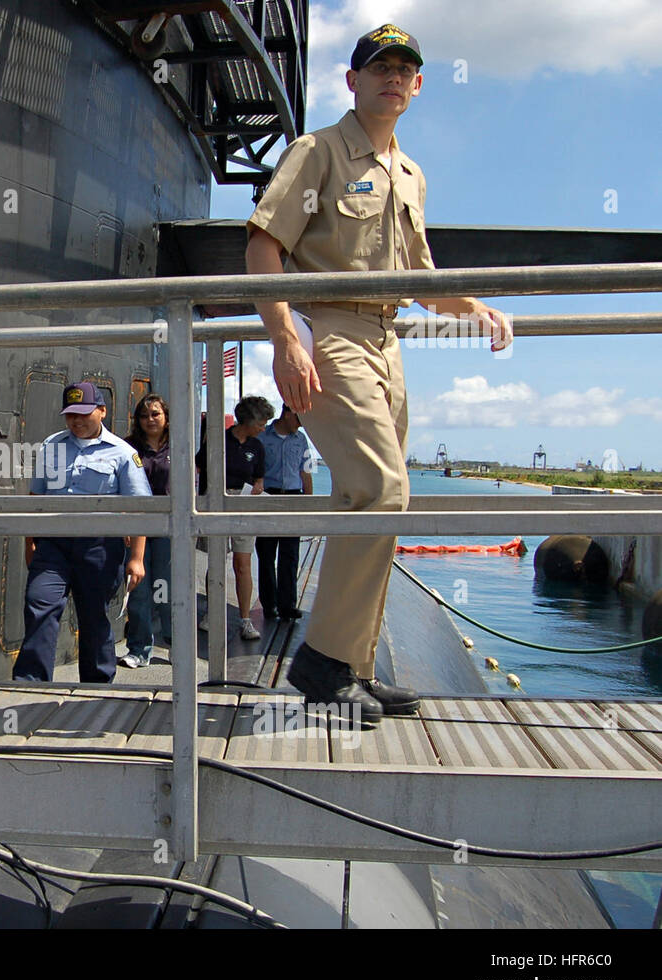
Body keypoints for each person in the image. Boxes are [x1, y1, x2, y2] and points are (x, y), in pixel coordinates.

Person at [244, 24, 513, 722]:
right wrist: (284, 341)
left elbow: (422, 281)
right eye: (378, 67)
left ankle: (353, 668)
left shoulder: (410, 173)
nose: (392, 78)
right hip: (327, 329)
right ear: (353, 80)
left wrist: (476, 308)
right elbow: (263, 245)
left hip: (387, 342)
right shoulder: (320, 152)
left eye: (405, 70)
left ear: (418, 86)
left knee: (377, 501)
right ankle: (323, 663)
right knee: (382, 488)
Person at [12, 381, 151, 683]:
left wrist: (137, 558)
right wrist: (30, 542)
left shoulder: (124, 454)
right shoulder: (51, 446)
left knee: (93, 619)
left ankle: (97, 686)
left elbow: (141, 508)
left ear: (102, 411)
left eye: (84, 413)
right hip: (53, 547)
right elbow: (36, 500)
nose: (76, 421)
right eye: (71, 414)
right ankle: (30, 684)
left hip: (99, 548)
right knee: (39, 605)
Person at [195, 396, 272, 641]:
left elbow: (259, 478)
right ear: (248, 420)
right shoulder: (219, 440)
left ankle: (245, 619)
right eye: (261, 422)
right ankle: (212, 612)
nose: (264, 428)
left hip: (243, 504)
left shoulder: (256, 447)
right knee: (216, 560)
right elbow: (199, 466)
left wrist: (257, 488)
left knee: (243, 563)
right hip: (217, 501)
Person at [120, 393, 171, 668]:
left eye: (155, 414)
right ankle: (139, 649)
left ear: (166, 417)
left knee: (168, 589)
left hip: (168, 528)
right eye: (144, 415)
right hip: (138, 526)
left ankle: (176, 643)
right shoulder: (128, 447)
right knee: (138, 590)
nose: (150, 419)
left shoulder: (179, 446)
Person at [257, 404, 313, 620]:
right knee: (266, 553)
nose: (301, 424)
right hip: (269, 496)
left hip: (293, 495)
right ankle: (269, 604)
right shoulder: (263, 437)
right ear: (288, 413)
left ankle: (288, 605)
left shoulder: (301, 440)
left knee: (290, 555)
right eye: (299, 419)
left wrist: (309, 506)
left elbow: (306, 472)